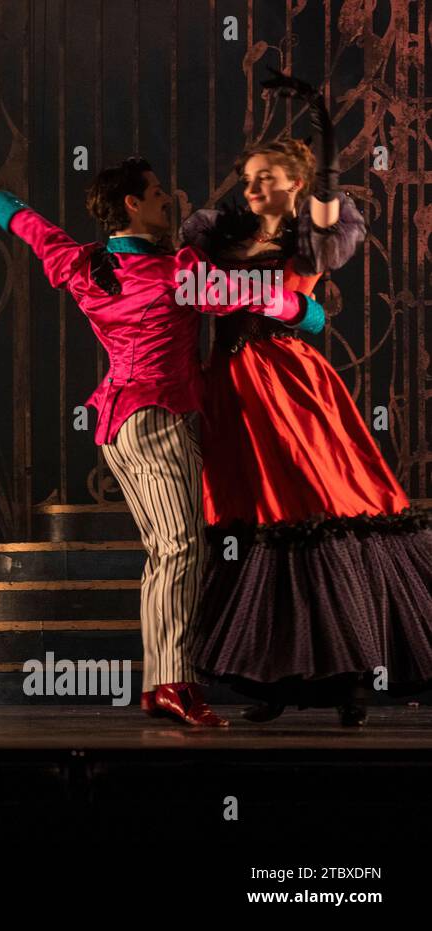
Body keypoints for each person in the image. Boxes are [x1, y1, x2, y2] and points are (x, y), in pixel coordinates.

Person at [0, 155, 326, 726]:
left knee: (166, 552)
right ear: (132, 203)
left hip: (122, 423)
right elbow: (245, 295)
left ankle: (161, 683)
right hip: (155, 417)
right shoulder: (172, 272)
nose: (167, 199)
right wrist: (309, 311)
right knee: (180, 547)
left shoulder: (86, 263)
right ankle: (174, 683)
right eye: (155, 193)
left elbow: (37, 231)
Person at [181, 70, 432, 725]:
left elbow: (324, 228)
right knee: (254, 521)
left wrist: (321, 139)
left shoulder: (311, 232)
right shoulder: (221, 236)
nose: (253, 185)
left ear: (294, 183)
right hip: (232, 389)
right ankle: (274, 677)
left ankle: (348, 674)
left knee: (318, 509)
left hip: (290, 385)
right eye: (249, 177)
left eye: (267, 175)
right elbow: (185, 277)